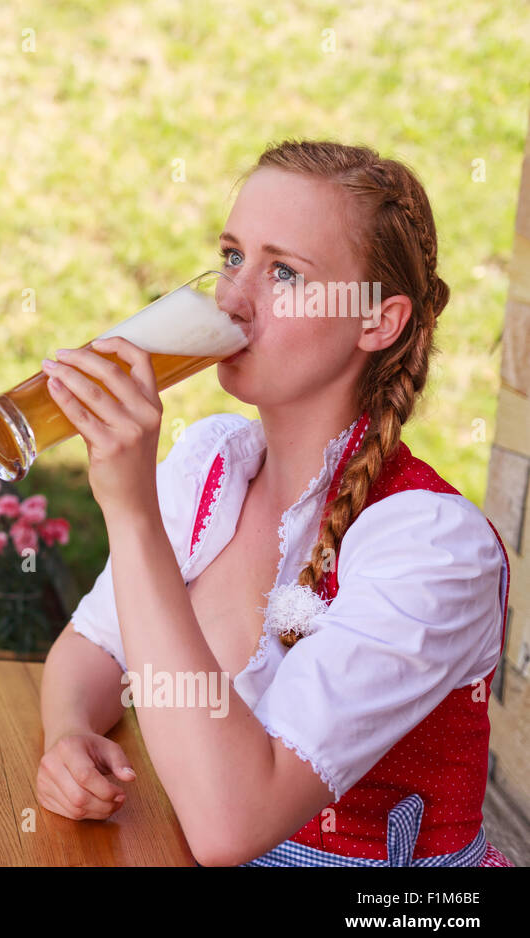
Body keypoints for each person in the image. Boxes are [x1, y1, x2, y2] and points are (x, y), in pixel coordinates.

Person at [35, 140, 514, 867]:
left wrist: (128, 511)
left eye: (284, 273)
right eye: (233, 257)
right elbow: (96, 647)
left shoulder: (431, 547)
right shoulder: (215, 464)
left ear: (377, 323)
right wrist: (69, 734)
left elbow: (232, 827)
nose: (231, 298)